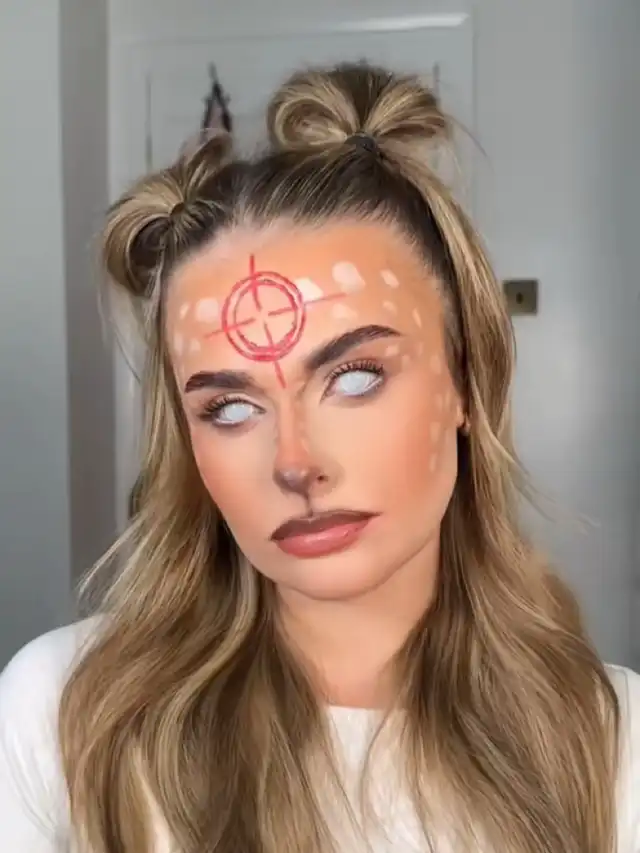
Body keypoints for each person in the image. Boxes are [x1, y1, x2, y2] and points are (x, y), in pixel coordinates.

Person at [0, 61, 638, 853]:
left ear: (466, 381)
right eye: (230, 407)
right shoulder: (64, 713)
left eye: (355, 376)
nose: (295, 462)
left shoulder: (613, 743)